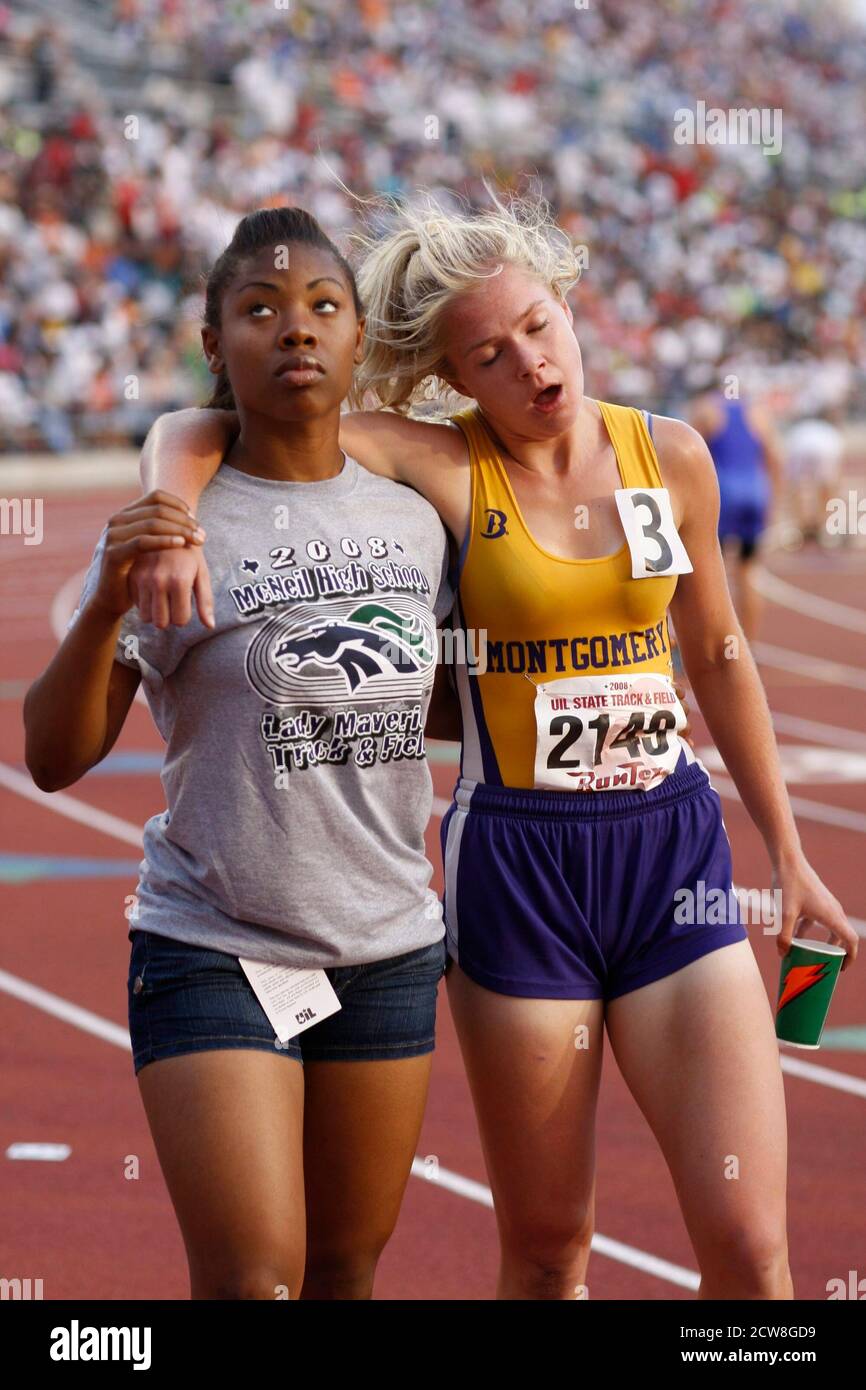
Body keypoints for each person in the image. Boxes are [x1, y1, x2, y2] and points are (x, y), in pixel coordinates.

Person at [133, 187, 856, 1301]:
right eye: (487, 353)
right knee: (548, 1250)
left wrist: (789, 854)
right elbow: (212, 421)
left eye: (536, 326)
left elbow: (714, 658)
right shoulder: (438, 464)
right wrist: (173, 512)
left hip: (671, 860)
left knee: (752, 1252)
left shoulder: (667, 454)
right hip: (519, 869)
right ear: (452, 380)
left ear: (567, 307)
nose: (527, 362)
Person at [22, 206, 460, 1301]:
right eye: (259, 310)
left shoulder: (417, 517)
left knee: (342, 1271)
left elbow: (449, 697)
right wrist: (104, 608)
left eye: (321, 307)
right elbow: (51, 757)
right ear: (216, 346)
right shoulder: (172, 521)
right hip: (214, 941)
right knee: (253, 1280)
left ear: (359, 339)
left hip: (388, 944)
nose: (295, 330)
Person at [689, 387, 783, 640]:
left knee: (706, 573)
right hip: (755, 493)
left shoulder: (706, 410)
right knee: (749, 570)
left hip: (722, 496)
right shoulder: (758, 412)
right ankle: (749, 645)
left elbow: (687, 454)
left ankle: (711, 644)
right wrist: (771, 502)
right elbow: (774, 458)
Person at [784, 405, 846, 547]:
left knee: (796, 487)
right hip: (826, 447)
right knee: (827, 487)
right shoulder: (832, 432)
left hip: (799, 444)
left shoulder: (800, 428)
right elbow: (835, 479)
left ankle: (800, 526)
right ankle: (824, 527)